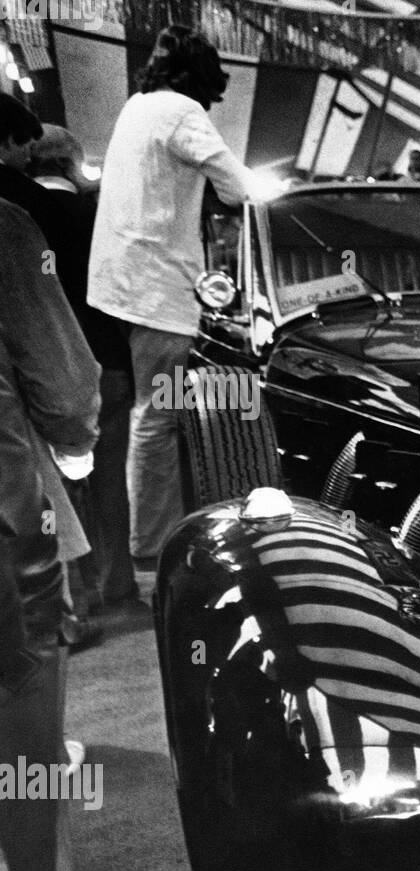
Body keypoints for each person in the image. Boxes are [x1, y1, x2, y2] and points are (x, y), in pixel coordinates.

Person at [88, 25, 256, 566]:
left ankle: (147, 538)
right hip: (156, 288)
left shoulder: (137, 104)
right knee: (158, 415)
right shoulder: (183, 111)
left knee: (149, 411)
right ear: (201, 76)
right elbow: (241, 187)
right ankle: (155, 546)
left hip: (119, 286)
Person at [0, 199, 102, 871]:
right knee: (23, 787)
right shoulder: (3, 226)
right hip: (8, 558)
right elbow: (66, 387)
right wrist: (75, 447)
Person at [27, 125, 137, 614]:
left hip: (44, 369)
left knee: (57, 488)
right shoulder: (99, 219)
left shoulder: (18, 215)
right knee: (111, 478)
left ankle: (79, 593)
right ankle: (119, 583)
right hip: (107, 362)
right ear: (74, 165)